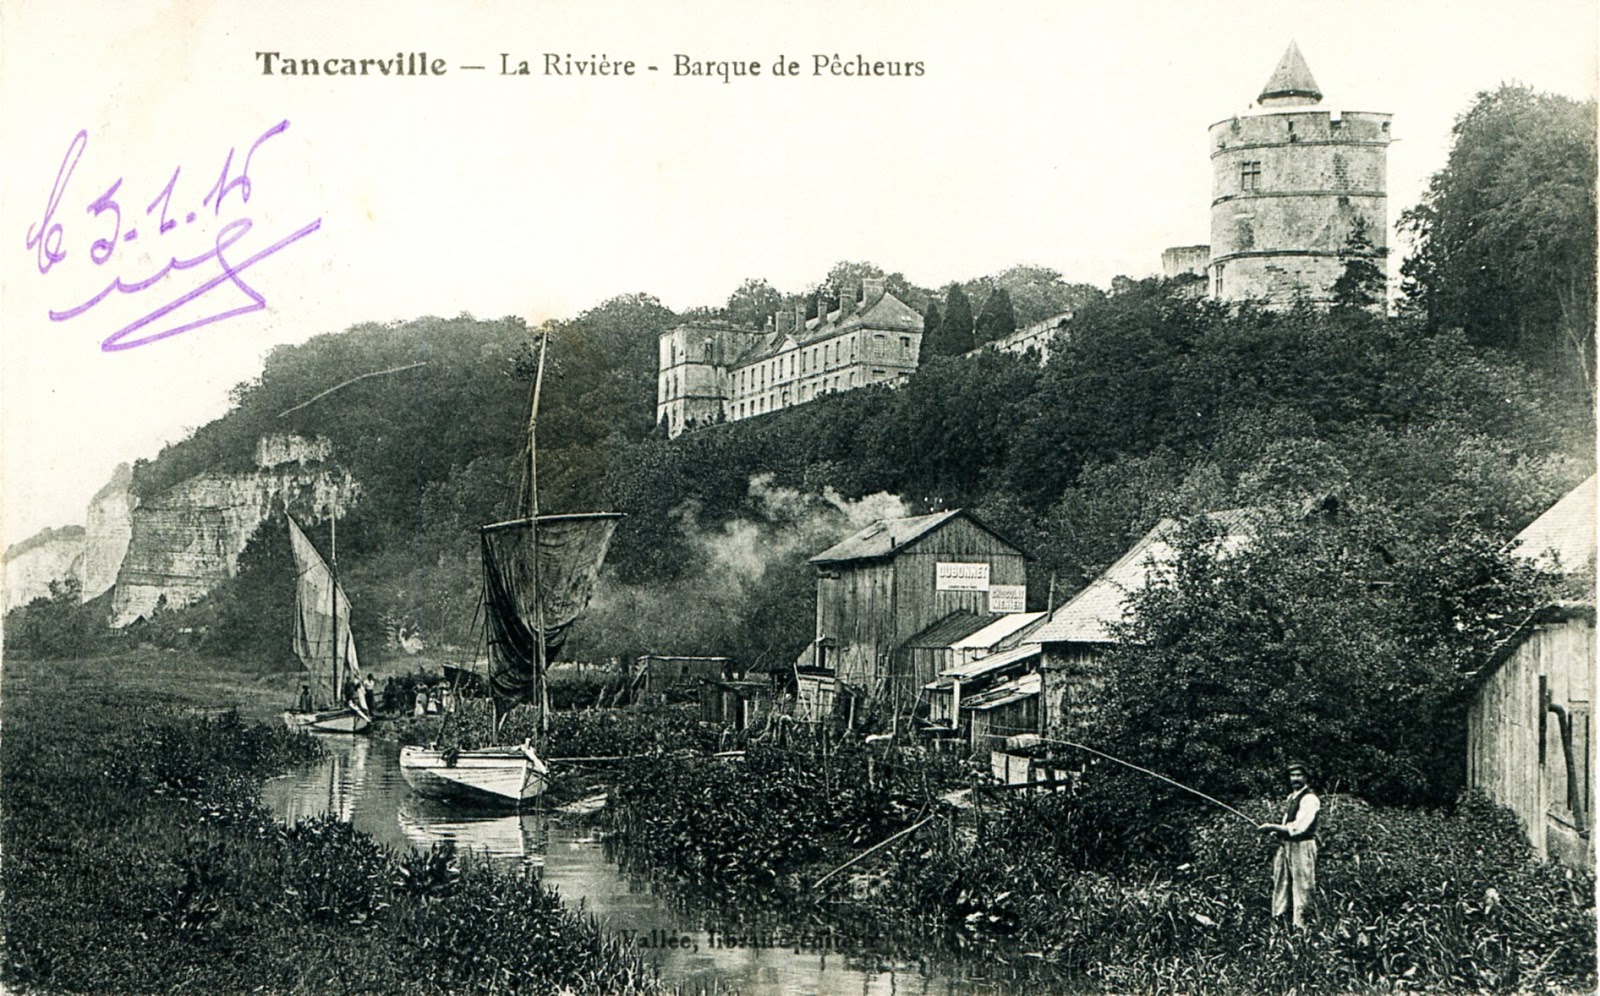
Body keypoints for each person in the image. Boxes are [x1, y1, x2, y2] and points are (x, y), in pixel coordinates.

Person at [1259, 760, 1320, 928]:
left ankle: (1302, 926)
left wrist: (1272, 826)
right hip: (1286, 845)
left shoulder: (1310, 799)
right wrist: (1276, 831)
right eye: (1292, 775)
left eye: (1299, 775)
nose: (1295, 778)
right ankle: (1278, 921)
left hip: (1302, 845)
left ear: (1306, 778)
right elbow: (1287, 824)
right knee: (1281, 882)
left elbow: (1299, 828)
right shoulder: (1291, 797)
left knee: (1303, 885)